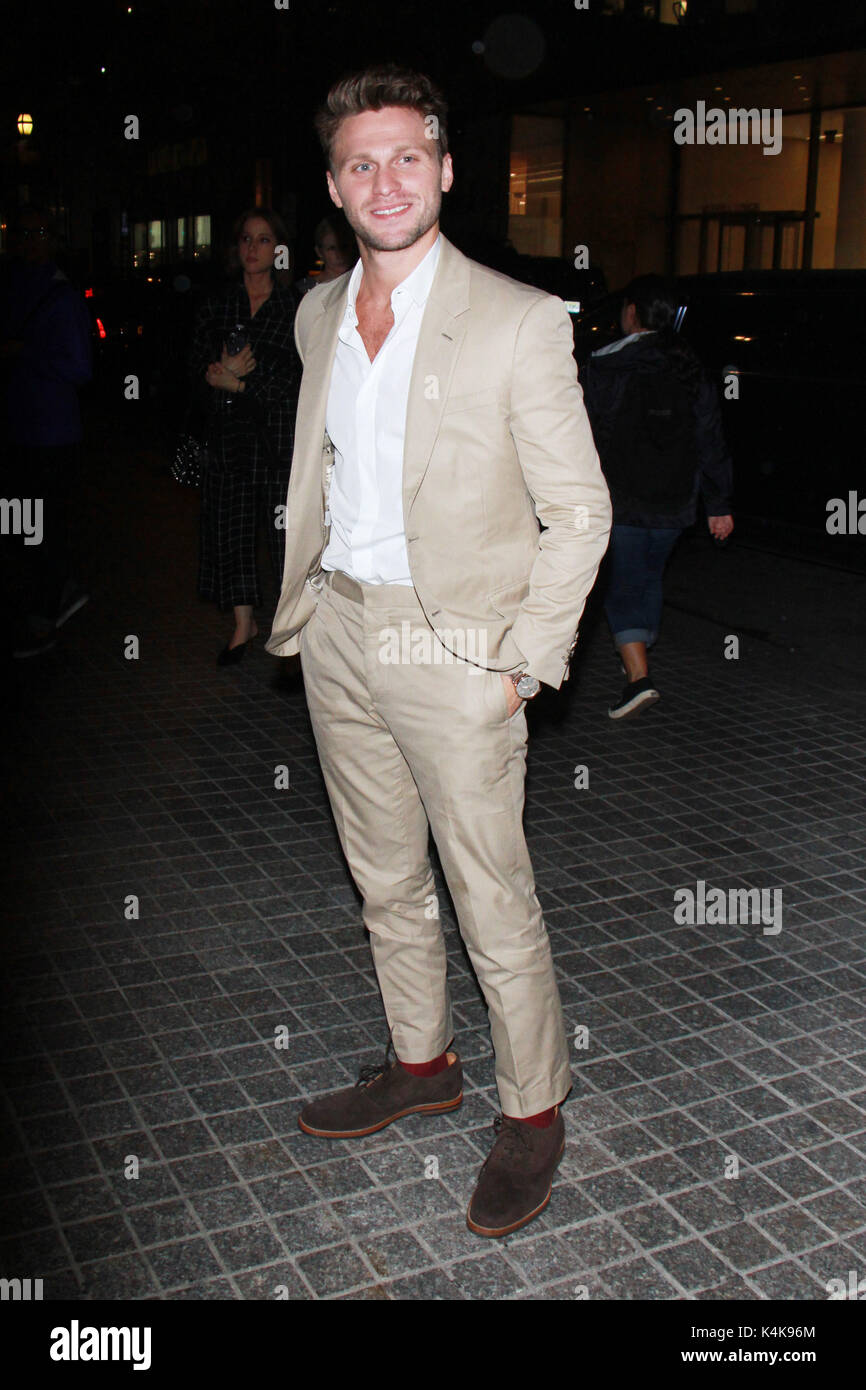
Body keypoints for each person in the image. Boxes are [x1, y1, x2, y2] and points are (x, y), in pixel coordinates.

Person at [266, 65, 611, 1237]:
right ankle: (422, 1064)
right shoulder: (316, 313)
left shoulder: (519, 321)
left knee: (487, 890)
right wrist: (309, 603)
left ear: (447, 168)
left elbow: (582, 512)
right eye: (360, 162)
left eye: (406, 155)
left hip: (456, 643)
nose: (385, 178)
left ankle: (531, 1111)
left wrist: (523, 660)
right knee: (382, 879)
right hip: (339, 628)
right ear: (334, 184)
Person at [582, 274, 734, 720]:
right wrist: (719, 504)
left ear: (632, 313)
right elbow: (711, 439)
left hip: (623, 501)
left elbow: (583, 434)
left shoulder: (606, 364)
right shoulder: (690, 366)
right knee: (647, 578)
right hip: (674, 504)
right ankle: (638, 649)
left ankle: (638, 678)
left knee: (620, 586)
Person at [189, 207, 302, 664]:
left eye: (262, 239)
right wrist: (215, 373)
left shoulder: (293, 306)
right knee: (232, 531)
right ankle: (242, 625)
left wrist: (238, 383)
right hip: (228, 439)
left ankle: (290, 628)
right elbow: (194, 362)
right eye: (245, 239)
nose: (252, 248)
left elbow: (296, 377)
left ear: (278, 248)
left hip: (275, 441)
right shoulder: (218, 304)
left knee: (283, 539)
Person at [1, 208, 92, 659]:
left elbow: (80, 367)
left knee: (41, 529)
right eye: (24, 231)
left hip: (52, 436)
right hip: (19, 432)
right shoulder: (16, 285)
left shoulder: (62, 297)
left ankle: (44, 618)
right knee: (20, 527)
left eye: (39, 231)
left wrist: (28, 354)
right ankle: (45, 601)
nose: (31, 240)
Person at [295, 215, 355, 294]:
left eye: (344, 247)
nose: (339, 254)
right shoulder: (304, 289)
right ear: (319, 252)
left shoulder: (362, 283)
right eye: (331, 248)